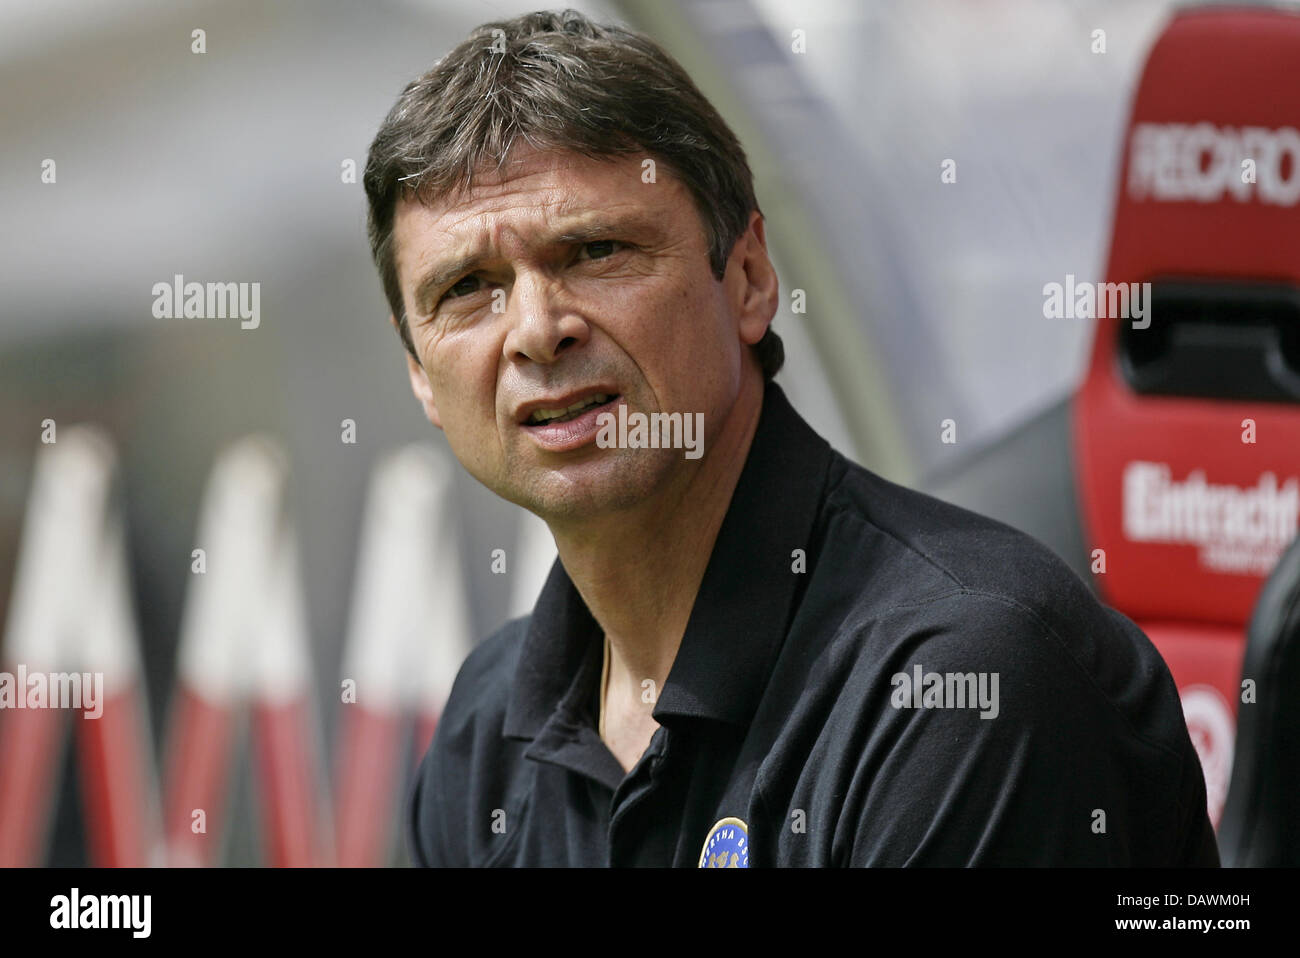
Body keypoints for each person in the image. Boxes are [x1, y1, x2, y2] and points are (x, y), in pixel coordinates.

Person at [362, 8, 1220, 867]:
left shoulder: (963, 682)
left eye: (596, 250)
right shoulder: (485, 724)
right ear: (417, 374)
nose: (537, 330)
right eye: (468, 287)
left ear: (749, 280)